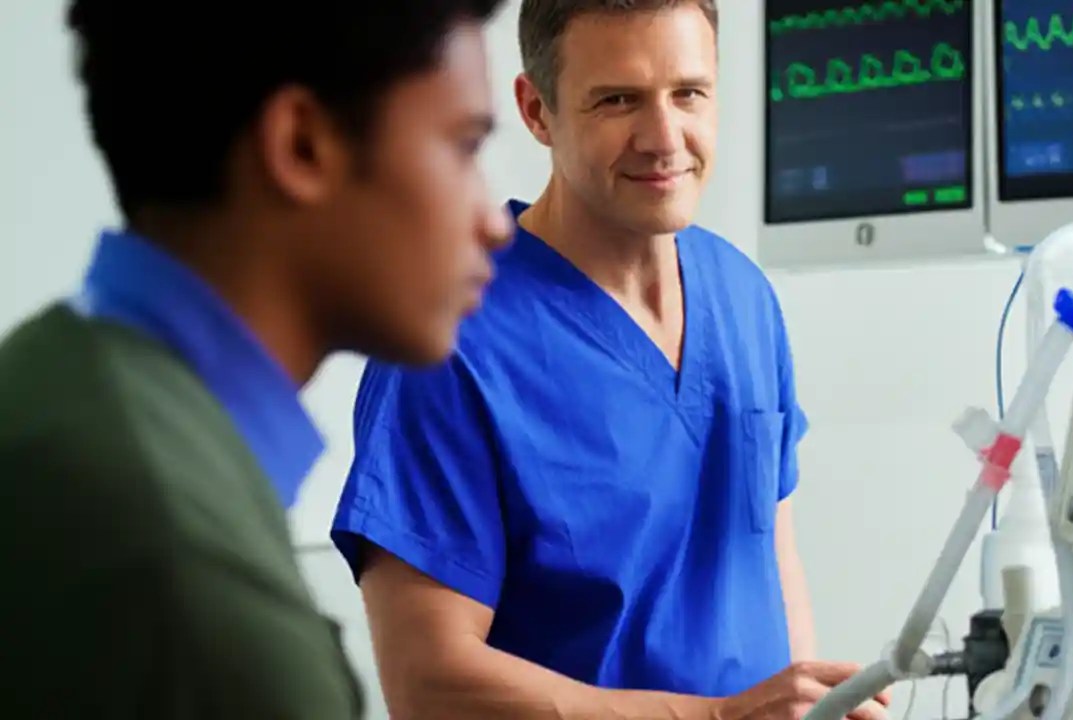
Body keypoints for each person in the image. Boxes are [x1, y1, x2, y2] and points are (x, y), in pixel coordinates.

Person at [331, 1, 891, 718]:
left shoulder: (741, 294)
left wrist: (812, 703)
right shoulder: (448, 339)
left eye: (688, 93)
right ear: (538, 112)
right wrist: (717, 718)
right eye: (618, 100)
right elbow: (429, 681)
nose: (664, 139)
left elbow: (770, 560)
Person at [0, 1, 509, 717]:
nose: (494, 222)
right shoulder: (192, 586)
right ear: (302, 144)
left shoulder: (49, 379)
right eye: (463, 146)